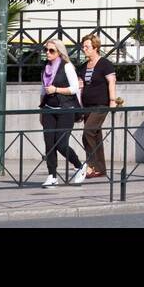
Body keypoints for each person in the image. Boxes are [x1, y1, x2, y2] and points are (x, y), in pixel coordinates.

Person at [39, 41, 87, 188]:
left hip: (66, 109)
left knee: (61, 144)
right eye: (46, 50)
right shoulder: (45, 68)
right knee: (49, 144)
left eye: (51, 50)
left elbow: (74, 89)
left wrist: (56, 90)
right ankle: (52, 175)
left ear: (59, 52)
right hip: (48, 109)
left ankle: (79, 165)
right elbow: (43, 89)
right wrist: (41, 110)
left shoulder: (67, 66)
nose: (47, 53)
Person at [78, 34, 117, 179]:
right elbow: (80, 86)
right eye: (83, 47)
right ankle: (101, 169)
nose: (84, 49)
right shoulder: (83, 67)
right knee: (96, 135)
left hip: (101, 104)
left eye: (87, 46)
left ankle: (92, 165)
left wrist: (112, 101)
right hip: (87, 105)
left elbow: (112, 81)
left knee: (88, 132)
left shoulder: (105, 64)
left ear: (95, 47)